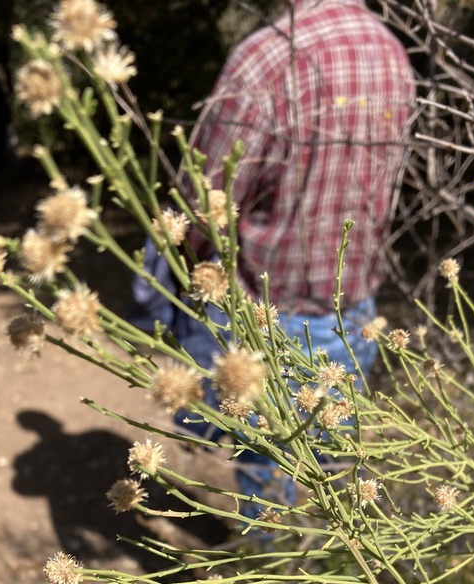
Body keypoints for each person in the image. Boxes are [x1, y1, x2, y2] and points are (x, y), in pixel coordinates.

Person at [132, 0, 414, 505]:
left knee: (272, 489)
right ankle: (327, 579)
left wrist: (191, 279)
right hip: (358, 316)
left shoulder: (266, 59)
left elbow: (202, 202)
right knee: (334, 483)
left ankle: (277, 582)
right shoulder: (392, 51)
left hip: (271, 323)